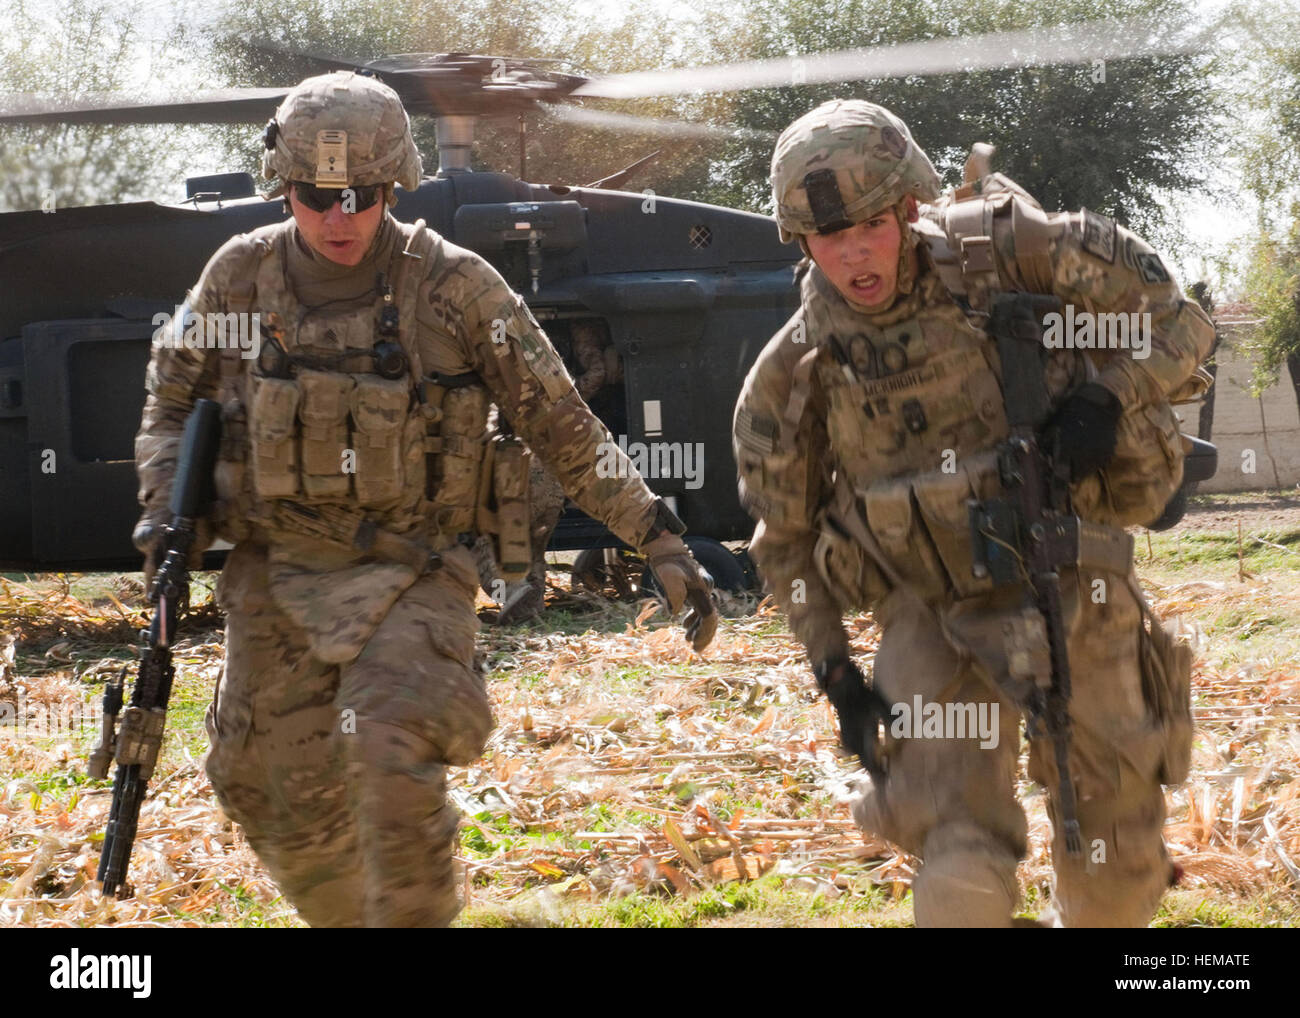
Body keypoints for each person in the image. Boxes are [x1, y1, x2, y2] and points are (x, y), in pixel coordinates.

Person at [133, 71, 717, 927]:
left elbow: (558, 420)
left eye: (361, 195)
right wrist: (164, 516)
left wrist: (658, 540)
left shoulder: (456, 286)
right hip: (279, 572)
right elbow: (170, 401)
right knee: (260, 786)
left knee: (388, 750)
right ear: (283, 187)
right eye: (316, 195)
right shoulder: (240, 278)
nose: (339, 218)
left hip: (416, 570)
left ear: (395, 183)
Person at [732, 99, 1212, 927]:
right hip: (934, 608)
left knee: (1112, 855)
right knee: (955, 856)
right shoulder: (794, 372)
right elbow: (784, 540)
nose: (853, 255)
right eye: (827, 237)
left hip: (1069, 573)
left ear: (908, 208)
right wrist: (836, 672)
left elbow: (1182, 324)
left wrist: (1109, 393)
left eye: (871, 226)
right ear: (800, 242)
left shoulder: (1012, 250)